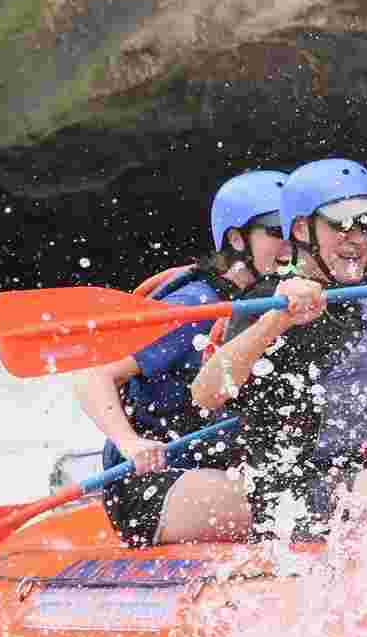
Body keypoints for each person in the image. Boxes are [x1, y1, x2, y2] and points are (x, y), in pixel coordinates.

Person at [189, 158, 367, 541]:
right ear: (303, 229)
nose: (355, 238)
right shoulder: (265, 300)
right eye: (341, 225)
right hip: (296, 492)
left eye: (365, 224)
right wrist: (278, 321)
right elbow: (206, 394)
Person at [72, 170, 287, 546]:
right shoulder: (197, 305)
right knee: (286, 503)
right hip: (153, 483)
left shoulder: (277, 303)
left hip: (217, 469)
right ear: (237, 239)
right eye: (275, 231)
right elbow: (93, 376)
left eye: (296, 230)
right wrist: (131, 443)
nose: (289, 245)